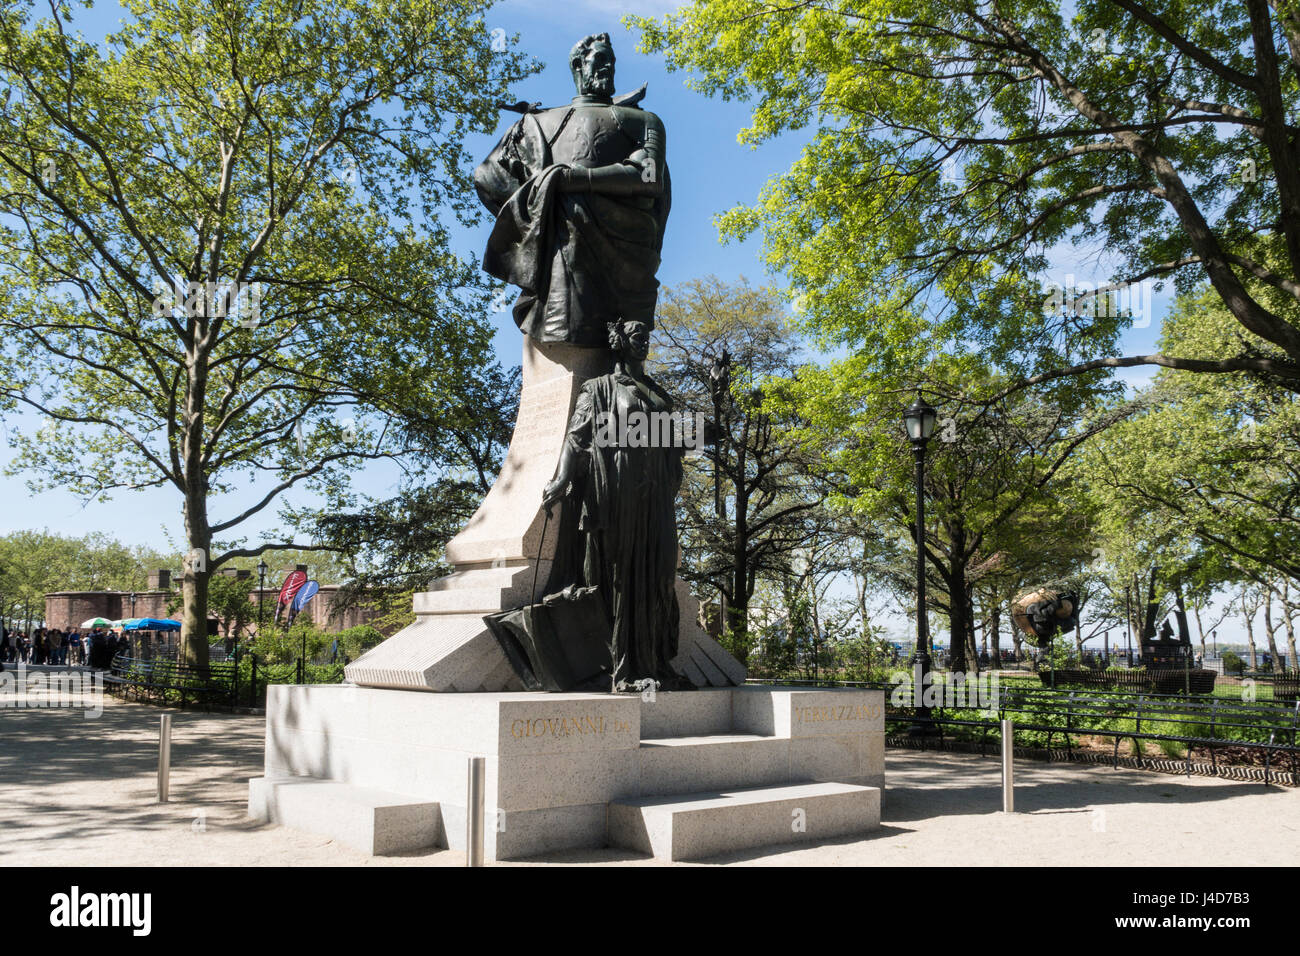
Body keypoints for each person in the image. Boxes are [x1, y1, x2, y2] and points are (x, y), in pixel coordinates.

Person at [474, 33, 670, 348]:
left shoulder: (644, 121)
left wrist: (570, 181)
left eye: (612, 62)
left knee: (574, 206)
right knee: (568, 214)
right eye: (601, 60)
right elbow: (488, 177)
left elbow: (648, 178)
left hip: (624, 240)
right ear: (578, 65)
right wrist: (536, 211)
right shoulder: (535, 124)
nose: (609, 69)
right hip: (558, 244)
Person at [542, 318, 685, 688]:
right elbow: (577, 438)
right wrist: (561, 477)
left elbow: (681, 439)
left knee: (662, 572)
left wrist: (719, 403)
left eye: (647, 337)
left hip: (656, 496)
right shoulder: (599, 388)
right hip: (619, 488)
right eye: (637, 336)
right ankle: (626, 666)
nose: (645, 342)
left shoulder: (658, 394)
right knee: (624, 576)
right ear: (618, 341)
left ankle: (654, 662)